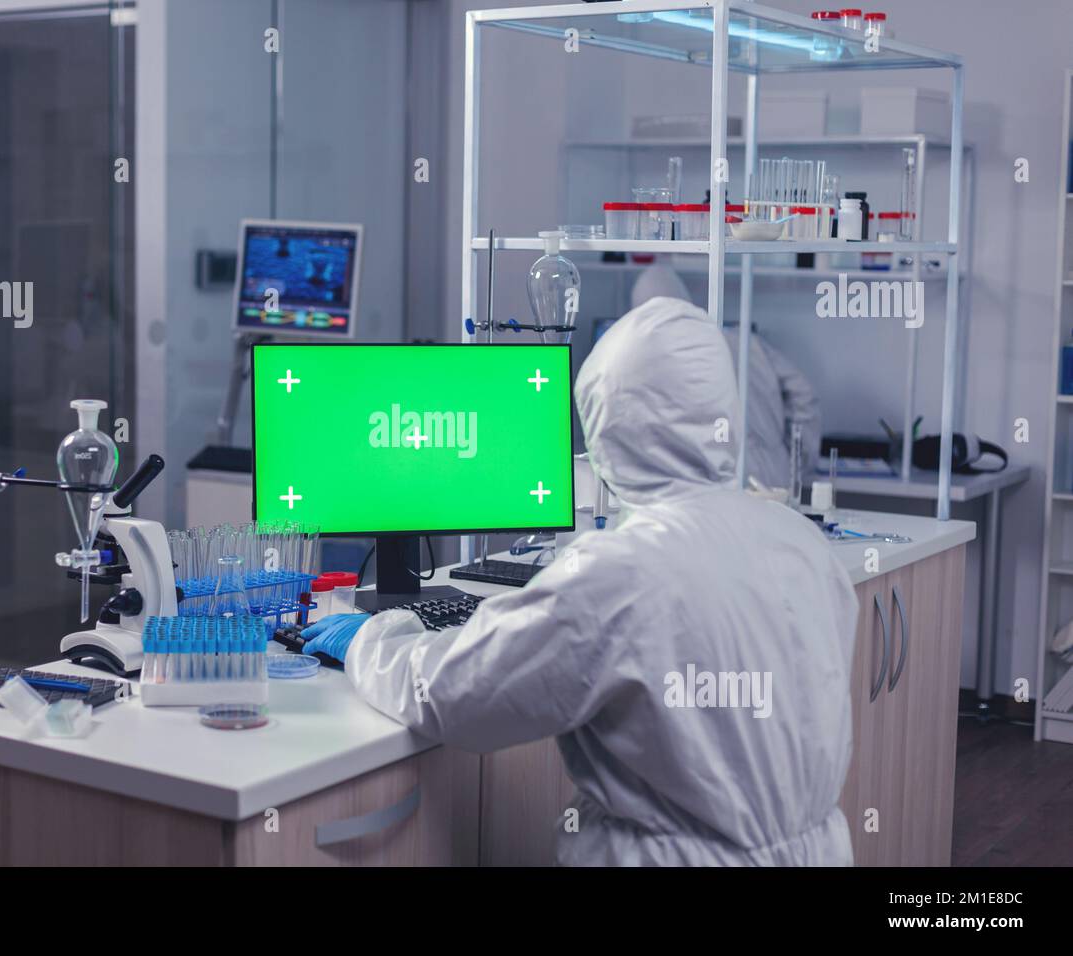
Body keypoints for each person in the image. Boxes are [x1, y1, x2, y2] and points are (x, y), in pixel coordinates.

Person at [302, 297, 859, 866]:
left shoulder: (624, 571)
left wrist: (369, 641)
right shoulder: (800, 542)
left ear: (608, 426)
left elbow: (460, 691)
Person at [630, 263, 822, 488]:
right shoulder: (745, 341)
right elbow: (803, 394)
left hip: (723, 479)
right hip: (775, 473)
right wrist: (797, 462)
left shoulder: (661, 360)